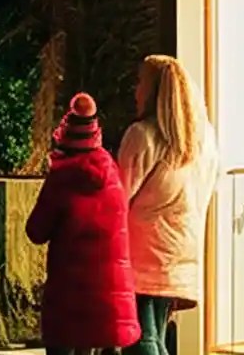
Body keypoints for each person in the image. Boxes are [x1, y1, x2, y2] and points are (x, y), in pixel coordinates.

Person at [118, 55, 219, 355]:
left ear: (153, 90)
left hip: (142, 259)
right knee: (156, 335)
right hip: (181, 256)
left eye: (140, 82)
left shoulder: (142, 137)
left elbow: (118, 199)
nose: (135, 90)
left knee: (141, 339)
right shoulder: (203, 143)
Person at [26, 92, 141, 355]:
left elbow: (36, 231)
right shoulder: (113, 174)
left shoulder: (62, 178)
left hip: (69, 302)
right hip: (110, 304)